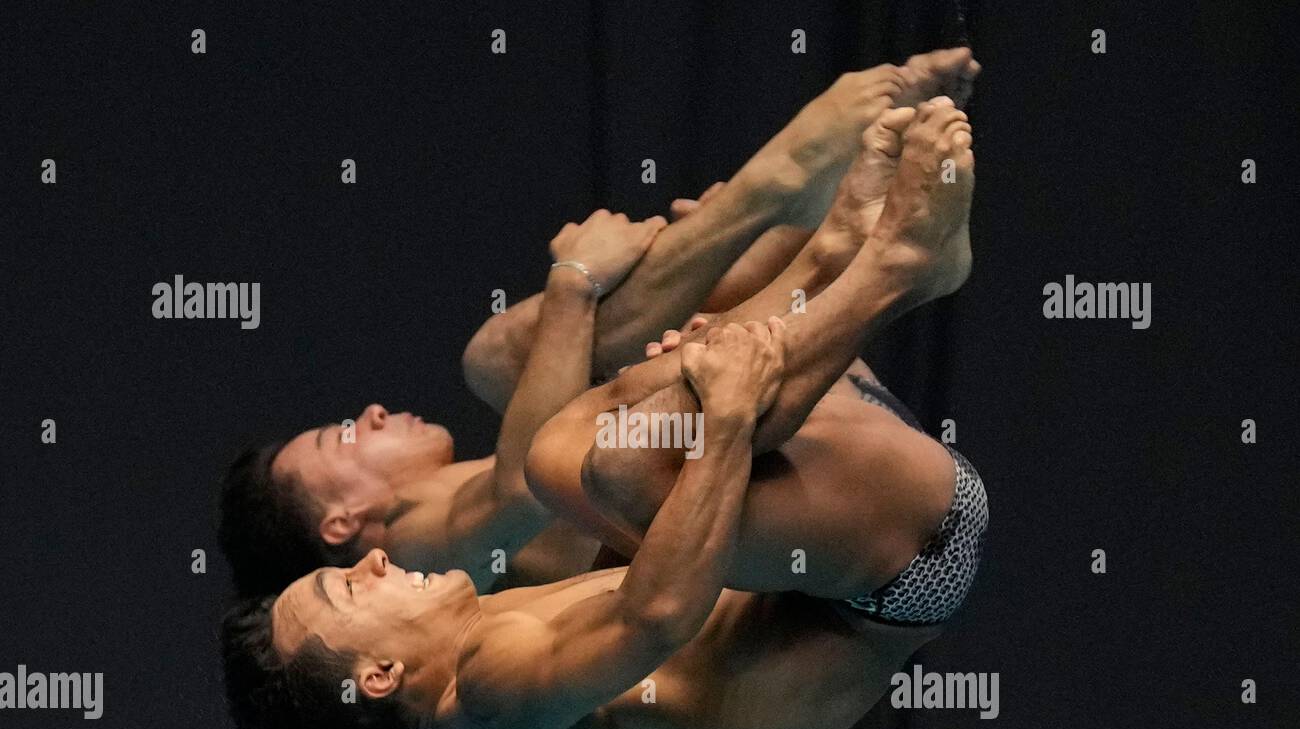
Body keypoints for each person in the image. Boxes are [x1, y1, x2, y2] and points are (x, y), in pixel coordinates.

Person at [220, 97, 988, 729]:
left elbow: (644, 579)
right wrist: (716, 422)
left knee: (561, 455)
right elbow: (656, 612)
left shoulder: (480, 653)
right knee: (617, 464)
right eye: (351, 589)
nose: (376, 561)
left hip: (846, 514)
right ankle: (895, 266)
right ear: (380, 676)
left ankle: (834, 255)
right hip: (907, 563)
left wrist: (678, 389)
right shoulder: (492, 700)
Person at [217, 50, 981, 598]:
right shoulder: (414, 542)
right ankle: (792, 208)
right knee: (541, 408)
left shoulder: (443, 520)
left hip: (823, 429)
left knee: (501, 360)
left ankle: (818, 227)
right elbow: (524, 485)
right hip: (877, 536)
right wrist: (574, 280)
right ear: (342, 525)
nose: (368, 412)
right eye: (340, 438)